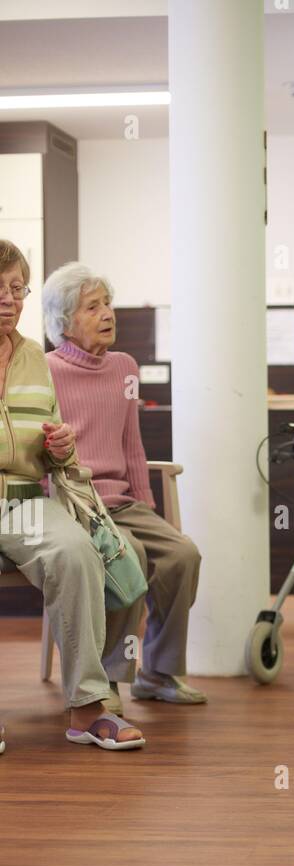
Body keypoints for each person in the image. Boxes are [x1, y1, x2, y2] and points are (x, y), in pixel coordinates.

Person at [0, 240, 145, 751]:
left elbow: (52, 446)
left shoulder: (35, 359)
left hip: (21, 498)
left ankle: (87, 706)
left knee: (77, 551)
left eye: (17, 288)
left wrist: (60, 446)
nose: (9, 299)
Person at [44, 262, 205, 711]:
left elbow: (132, 445)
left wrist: (150, 507)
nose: (106, 313)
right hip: (76, 501)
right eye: (92, 307)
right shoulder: (45, 370)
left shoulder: (124, 368)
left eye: (107, 303)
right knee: (126, 553)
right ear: (64, 322)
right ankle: (107, 679)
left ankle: (158, 671)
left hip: (122, 501)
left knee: (181, 554)